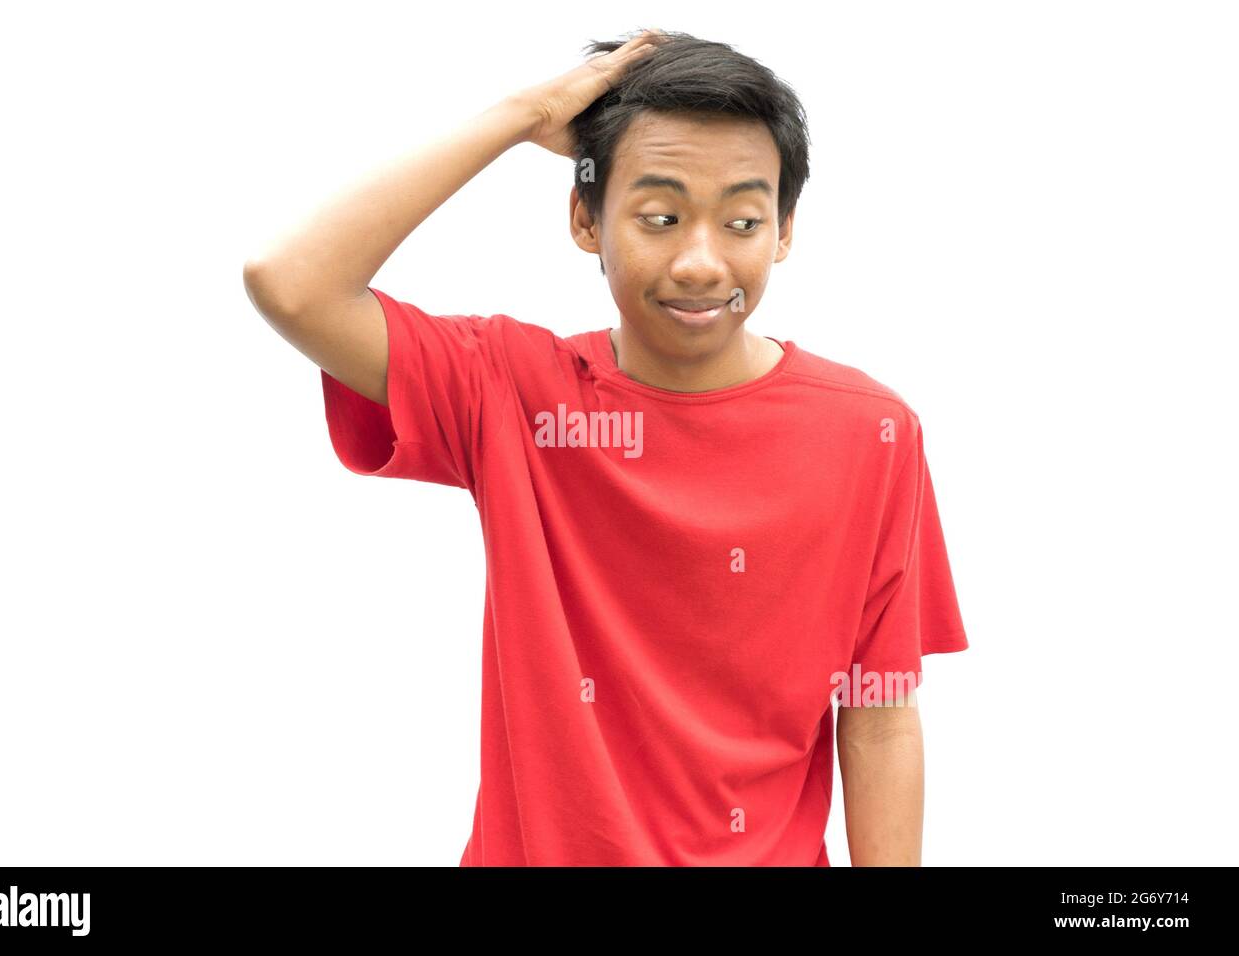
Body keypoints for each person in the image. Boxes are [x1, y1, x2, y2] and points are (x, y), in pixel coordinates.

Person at [243, 28, 969, 866]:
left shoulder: (871, 433)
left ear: (783, 230)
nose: (700, 262)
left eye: (740, 219)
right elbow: (290, 281)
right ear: (585, 217)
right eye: (660, 217)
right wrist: (525, 115)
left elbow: (877, 720)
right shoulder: (508, 390)